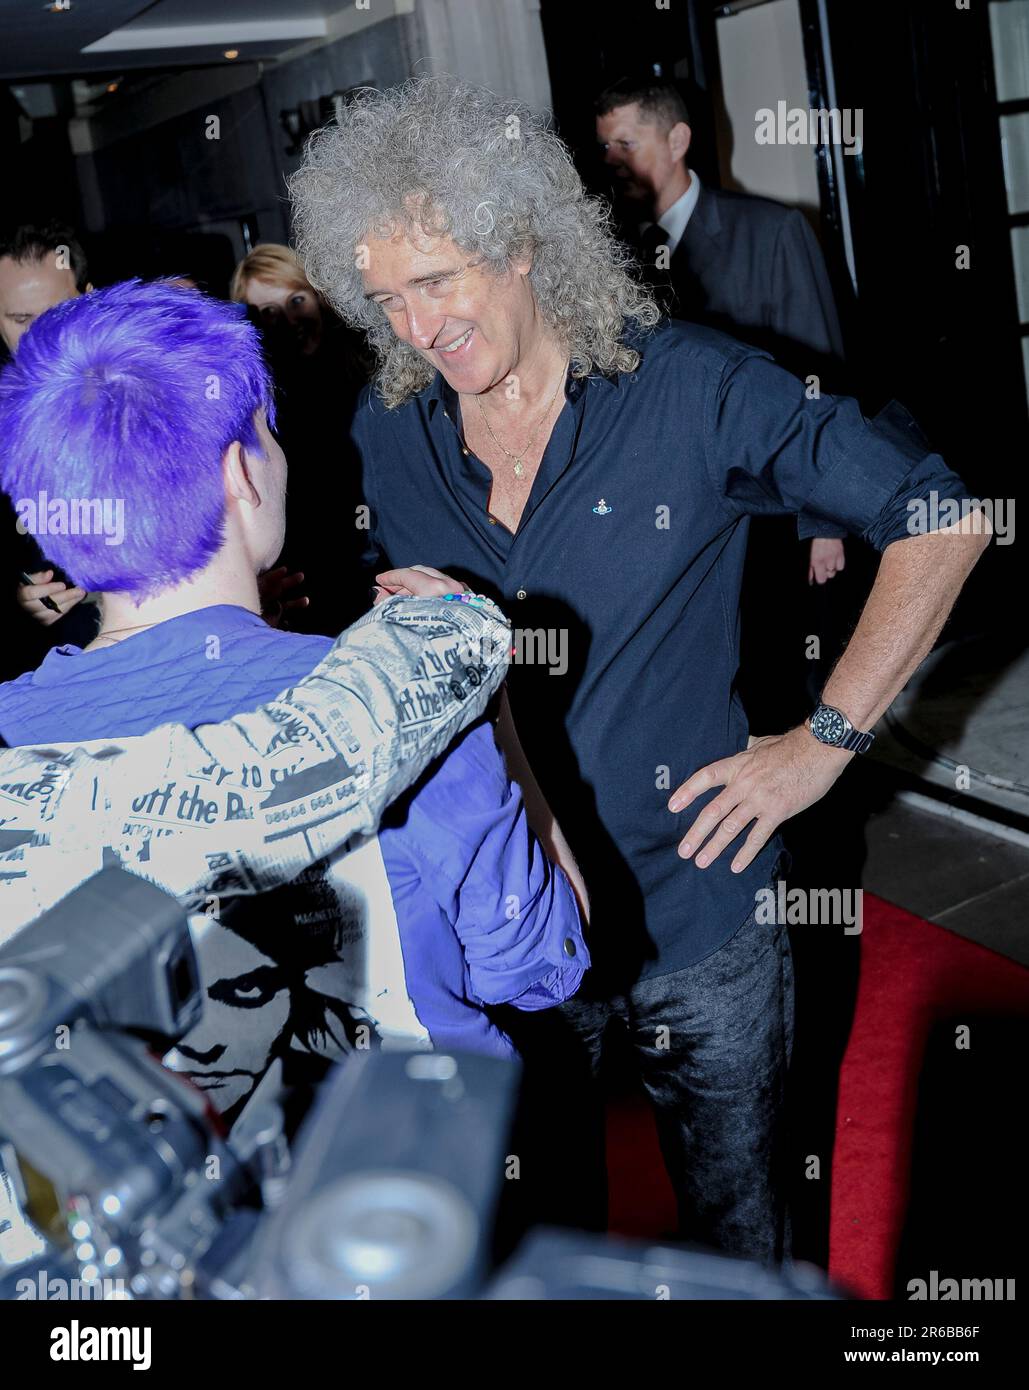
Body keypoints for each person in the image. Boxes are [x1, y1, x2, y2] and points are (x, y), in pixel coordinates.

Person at [288, 77, 990, 1262]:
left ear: (520, 239)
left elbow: (943, 517)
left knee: (742, 1245)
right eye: (385, 294)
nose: (416, 326)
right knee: (539, 1253)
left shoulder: (694, 388)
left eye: (439, 278)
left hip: (702, 915)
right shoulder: (388, 428)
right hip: (512, 934)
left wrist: (824, 747)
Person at [0, 279, 587, 1129]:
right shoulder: (395, 698)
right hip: (404, 1201)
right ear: (241, 473)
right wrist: (476, 696)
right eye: (266, 434)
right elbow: (543, 968)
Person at [595, 76, 853, 733]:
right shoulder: (607, 254)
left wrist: (822, 519)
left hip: (771, 513)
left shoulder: (770, 232)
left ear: (678, 140)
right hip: (675, 518)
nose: (613, 161)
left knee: (791, 691)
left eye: (626, 142)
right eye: (605, 147)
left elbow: (818, 376)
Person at [230, 243, 372, 636]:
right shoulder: (255, 412)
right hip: (304, 600)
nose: (290, 320)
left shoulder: (373, 382)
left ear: (318, 297)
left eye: (296, 299)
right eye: (269, 312)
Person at [0, 222, 100, 669]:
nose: (40, 335)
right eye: (21, 320)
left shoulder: (147, 388)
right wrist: (13, 602)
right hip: (45, 675)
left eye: (55, 314)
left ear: (90, 297)